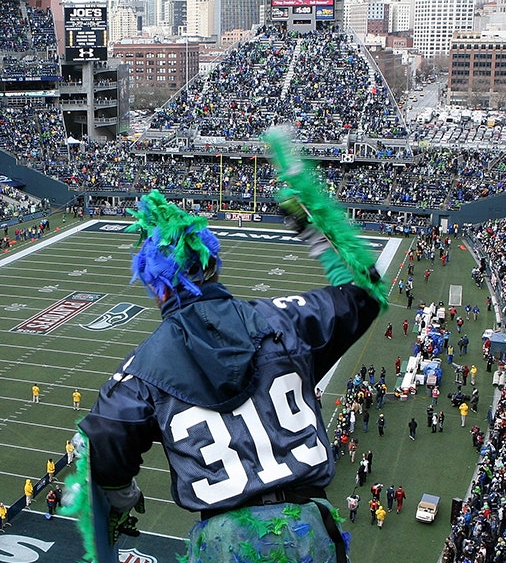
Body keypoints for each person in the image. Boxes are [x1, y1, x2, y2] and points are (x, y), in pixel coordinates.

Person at [75, 184, 384, 563]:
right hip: (307, 530)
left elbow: (102, 437)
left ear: (156, 289)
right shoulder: (284, 321)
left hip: (223, 543)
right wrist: (313, 224)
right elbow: (366, 292)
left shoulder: (141, 372)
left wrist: (123, 498)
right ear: (214, 265)